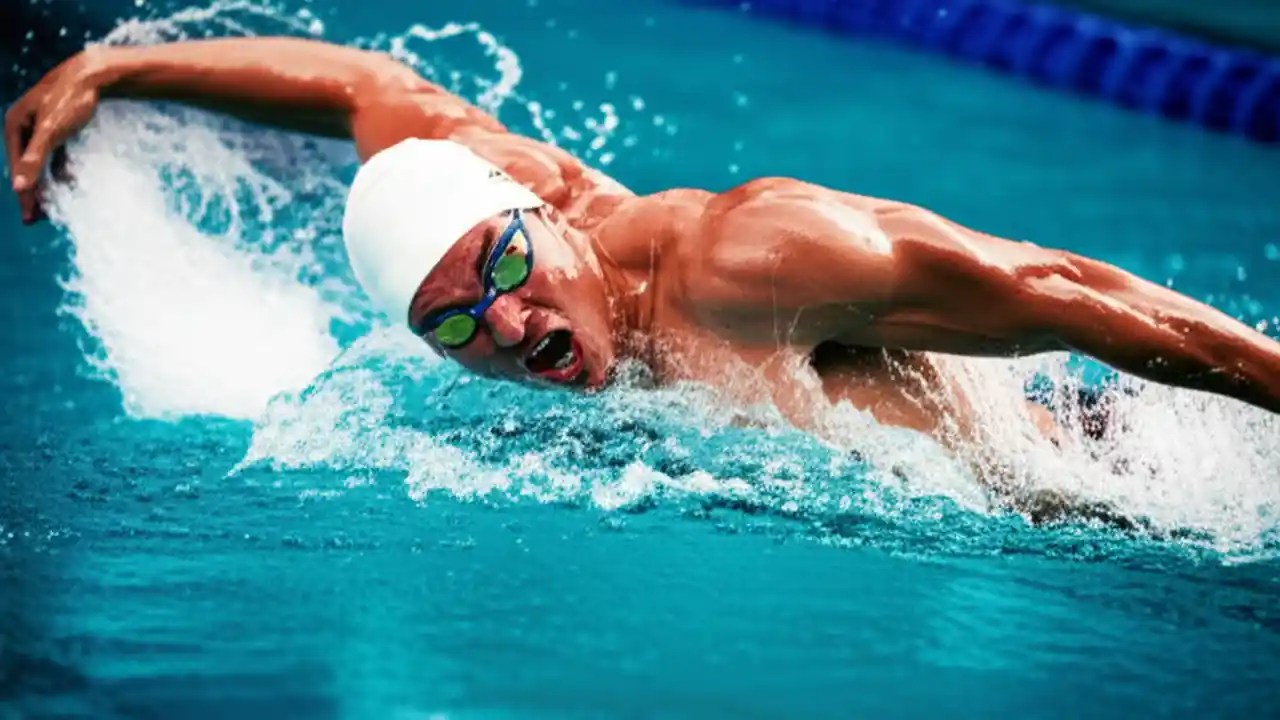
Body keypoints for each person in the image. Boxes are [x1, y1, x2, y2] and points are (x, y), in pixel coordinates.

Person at [7, 38, 1279, 511]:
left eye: (506, 269)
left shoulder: (747, 261)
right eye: (455, 325)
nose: (505, 323)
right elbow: (360, 89)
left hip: (1111, 486)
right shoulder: (476, 204)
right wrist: (115, 68)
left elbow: (1066, 288)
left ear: (549, 215)